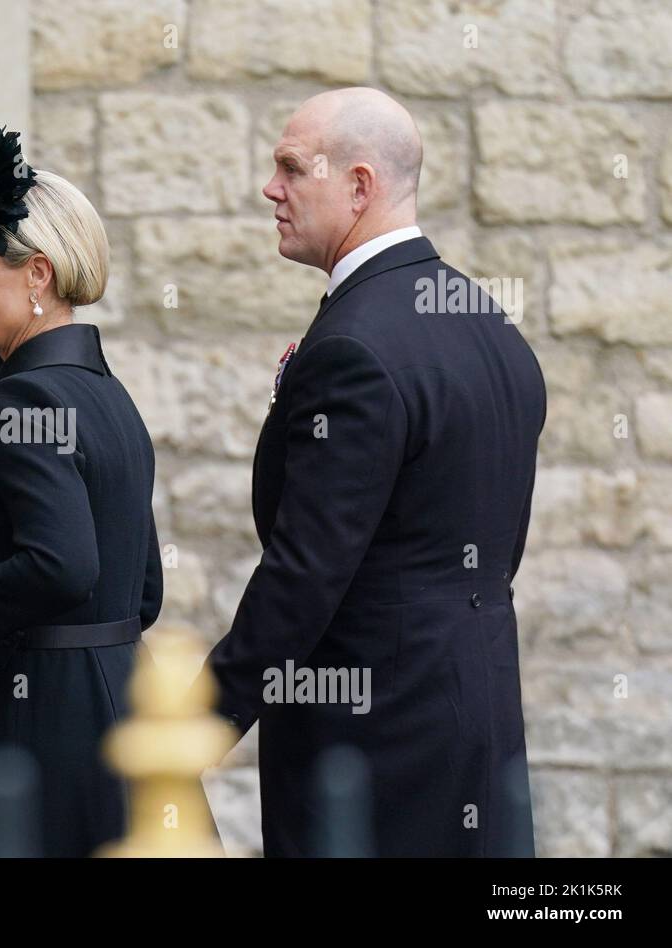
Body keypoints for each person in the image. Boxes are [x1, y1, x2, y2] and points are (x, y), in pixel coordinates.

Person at [201, 88, 546, 856]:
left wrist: (199, 720)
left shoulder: (353, 347)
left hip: (373, 739)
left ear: (359, 185)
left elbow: (307, 572)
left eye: (292, 169)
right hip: (477, 704)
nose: (271, 189)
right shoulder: (486, 321)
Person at [0, 120, 164, 857]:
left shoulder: (21, 401)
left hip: (34, 727)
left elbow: (62, 564)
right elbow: (144, 590)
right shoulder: (108, 394)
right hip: (123, 706)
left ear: (38, 275)